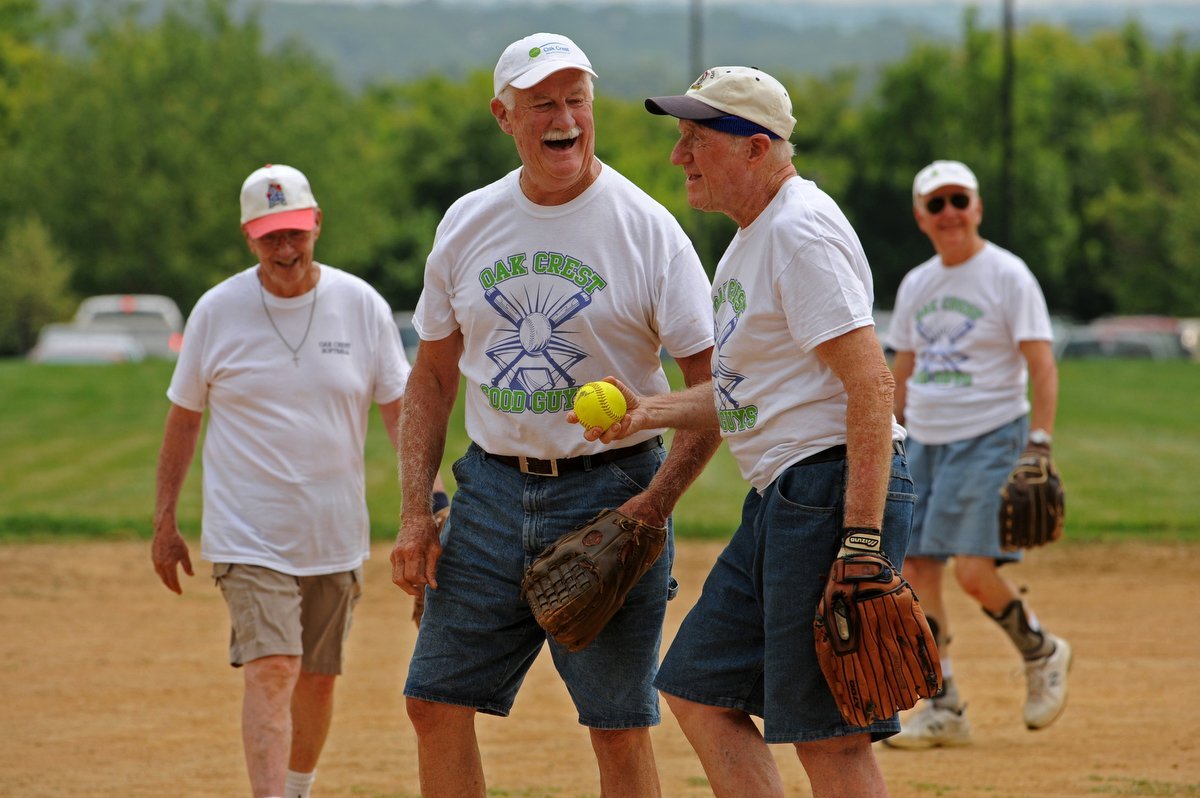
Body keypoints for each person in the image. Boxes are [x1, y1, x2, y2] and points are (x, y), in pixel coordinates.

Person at [388, 33, 721, 798]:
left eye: (576, 99)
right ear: (503, 115)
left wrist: (653, 506)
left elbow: (713, 388)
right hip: (489, 495)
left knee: (618, 725)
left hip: (614, 494)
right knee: (433, 703)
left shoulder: (646, 228)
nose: (564, 118)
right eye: (542, 103)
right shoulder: (467, 222)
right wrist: (414, 514)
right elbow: (431, 376)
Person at [582, 66, 914, 796]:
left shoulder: (799, 232)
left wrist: (861, 540)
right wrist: (649, 410)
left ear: (756, 147)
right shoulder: (750, 240)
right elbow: (749, 392)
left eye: (697, 139)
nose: (679, 155)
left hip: (826, 492)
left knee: (830, 738)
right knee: (699, 689)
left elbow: (871, 383)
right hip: (782, 499)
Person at [151, 163, 446, 798]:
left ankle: (294, 790)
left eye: (294, 233)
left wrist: (428, 503)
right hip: (247, 532)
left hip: (333, 533)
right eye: (269, 237)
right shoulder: (216, 311)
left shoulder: (360, 305)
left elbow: (401, 414)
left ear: (316, 224)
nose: (284, 249)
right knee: (275, 666)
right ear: (248, 237)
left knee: (317, 676)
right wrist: (164, 521)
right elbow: (184, 419)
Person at [881, 160, 1072, 749]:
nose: (950, 214)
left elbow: (1041, 365)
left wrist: (1039, 441)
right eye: (936, 204)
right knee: (916, 570)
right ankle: (945, 707)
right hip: (925, 440)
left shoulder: (1007, 275)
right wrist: (888, 439)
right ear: (921, 217)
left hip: (990, 434)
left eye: (958, 200)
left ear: (978, 207)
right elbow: (903, 370)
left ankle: (1041, 652)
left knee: (972, 570)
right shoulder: (917, 284)